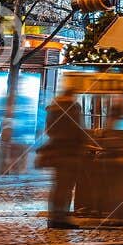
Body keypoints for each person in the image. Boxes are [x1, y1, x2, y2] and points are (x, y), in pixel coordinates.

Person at [38, 88, 86, 228]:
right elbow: (78, 131)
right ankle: (59, 219)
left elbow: (49, 130)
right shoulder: (72, 108)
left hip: (57, 152)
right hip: (69, 152)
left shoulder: (53, 108)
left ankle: (55, 217)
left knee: (59, 186)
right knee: (65, 187)